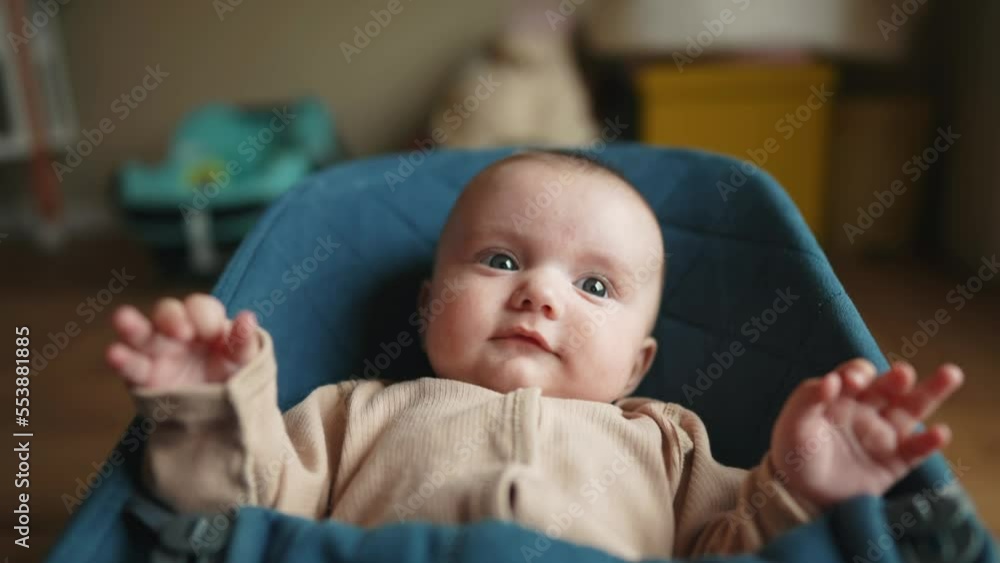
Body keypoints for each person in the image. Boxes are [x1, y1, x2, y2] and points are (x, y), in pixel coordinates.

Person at [106, 151, 963, 560]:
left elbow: (736, 549)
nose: (540, 294)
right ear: (427, 307)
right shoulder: (352, 411)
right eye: (500, 260)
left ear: (637, 364)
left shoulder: (670, 444)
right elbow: (240, 517)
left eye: (594, 286)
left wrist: (803, 483)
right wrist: (206, 408)